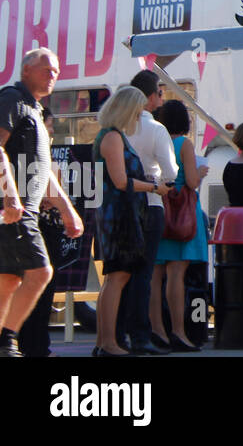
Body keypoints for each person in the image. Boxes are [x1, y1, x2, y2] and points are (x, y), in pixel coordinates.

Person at [0, 48, 83, 358]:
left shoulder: (34, 110)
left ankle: (4, 340)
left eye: (56, 71)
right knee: (40, 272)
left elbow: (42, 170)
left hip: (24, 210)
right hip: (14, 209)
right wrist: (10, 196)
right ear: (26, 70)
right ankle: (7, 341)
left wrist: (66, 209)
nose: (53, 75)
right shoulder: (12, 99)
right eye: (47, 69)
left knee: (9, 279)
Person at [91, 86, 165, 357]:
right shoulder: (112, 138)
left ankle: (105, 341)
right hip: (118, 216)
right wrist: (153, 187)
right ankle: (109, 342)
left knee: (114, 278)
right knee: (117, 277)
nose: (138, 117)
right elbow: (121, 182)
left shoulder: (113, 136)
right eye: (136, 112)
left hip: (117, 214)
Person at [117, 70, 179, 356]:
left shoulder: (118, 127)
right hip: (150, 202)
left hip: (121, 203)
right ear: (150, 95)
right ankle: (140, 335)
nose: (162, 97)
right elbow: (171, 172)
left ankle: (116, 335)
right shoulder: (155, 129)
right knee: (143, 273)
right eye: (160, 92)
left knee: (119, 274)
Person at [150, 100, 209, 352]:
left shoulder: (156, 141)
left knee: (154, 277)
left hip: (158, 208)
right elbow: (192, 182)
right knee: (176, 275)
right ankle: (178, 331)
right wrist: (201, 171)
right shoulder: (184, 144)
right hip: (182, 214)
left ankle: (156, 331)